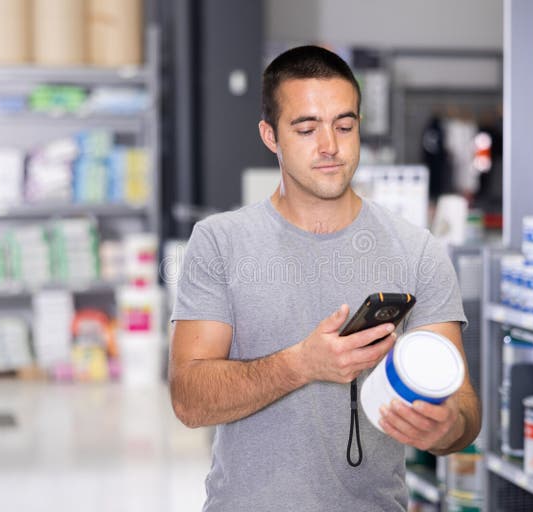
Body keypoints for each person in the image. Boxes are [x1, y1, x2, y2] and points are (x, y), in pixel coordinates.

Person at [169, 45, 481, 511]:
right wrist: (301, 364)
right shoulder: (219, 243)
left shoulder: (416, 250)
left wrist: (446, 429)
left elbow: (465, 408)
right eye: (306, 128)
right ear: (270, 135)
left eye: (344, 125)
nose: (330, 145)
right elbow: (189, 401)